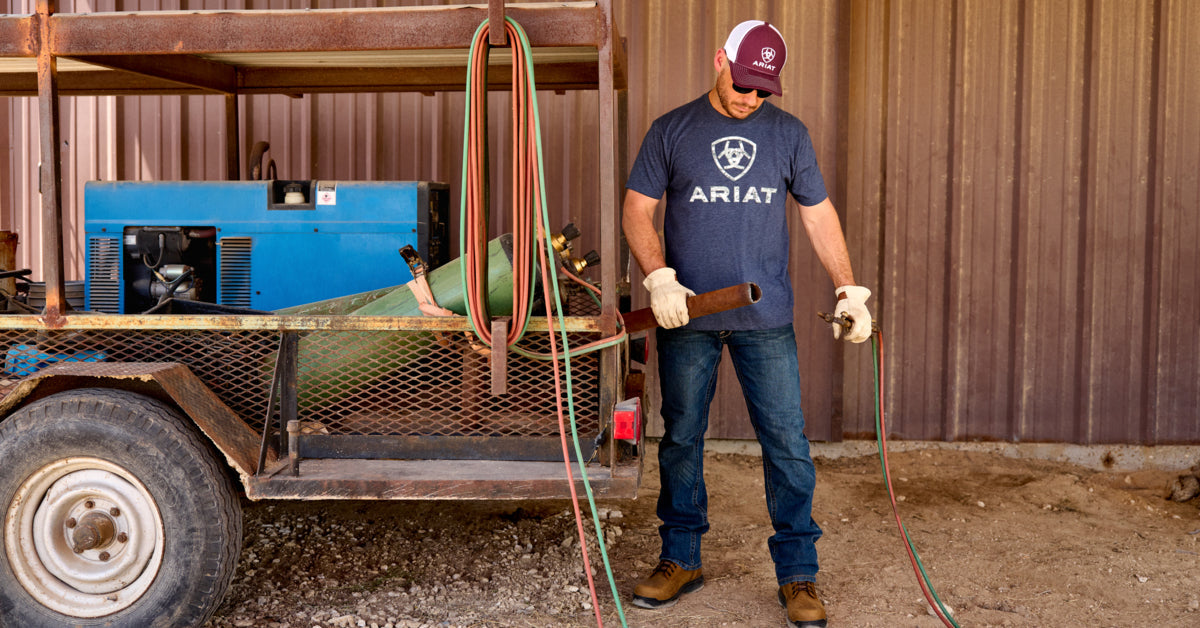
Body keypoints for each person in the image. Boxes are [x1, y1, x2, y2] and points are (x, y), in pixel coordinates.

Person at [622, 20, 873, 628]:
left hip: (765, 319)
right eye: (742, 83)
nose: (749, 97)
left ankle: (798, 574)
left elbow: (817, 215)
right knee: (682, 439)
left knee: (787, 444)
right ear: (719, 61)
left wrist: (849, 287)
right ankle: (680, 558)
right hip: (689, 313)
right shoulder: (672, 130)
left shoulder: (789, 135)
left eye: (763, 90)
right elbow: (637, 210)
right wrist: (658, 279)